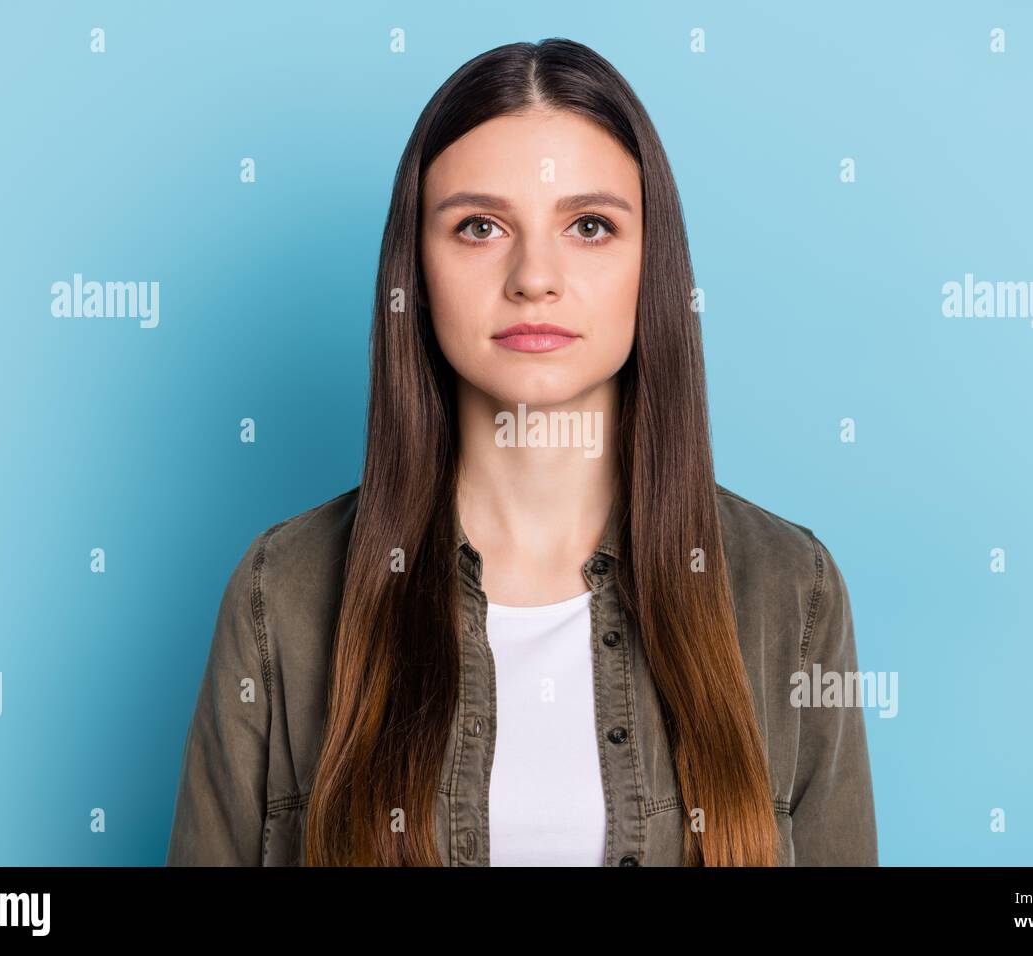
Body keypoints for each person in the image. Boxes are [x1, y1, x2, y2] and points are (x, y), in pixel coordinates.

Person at [166, 37, 877, 867]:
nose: (534, 276)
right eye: (479, 226)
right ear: (416, 270)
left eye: (588, 225)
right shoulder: (279, 593)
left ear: (652, 262)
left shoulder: (793, 590)